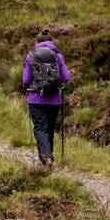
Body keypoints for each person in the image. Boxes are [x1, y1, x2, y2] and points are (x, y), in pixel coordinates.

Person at [22, 31, 71, 167]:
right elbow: (66, 77)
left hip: (36, 98)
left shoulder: (30, 56)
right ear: (52, 42)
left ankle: (46, 157)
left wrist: (26, 88)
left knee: (40, 128)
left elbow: (26, 79)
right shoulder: (58, 56)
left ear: (37, 42)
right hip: (54, 99)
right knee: (49, 127)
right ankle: (48, 157)